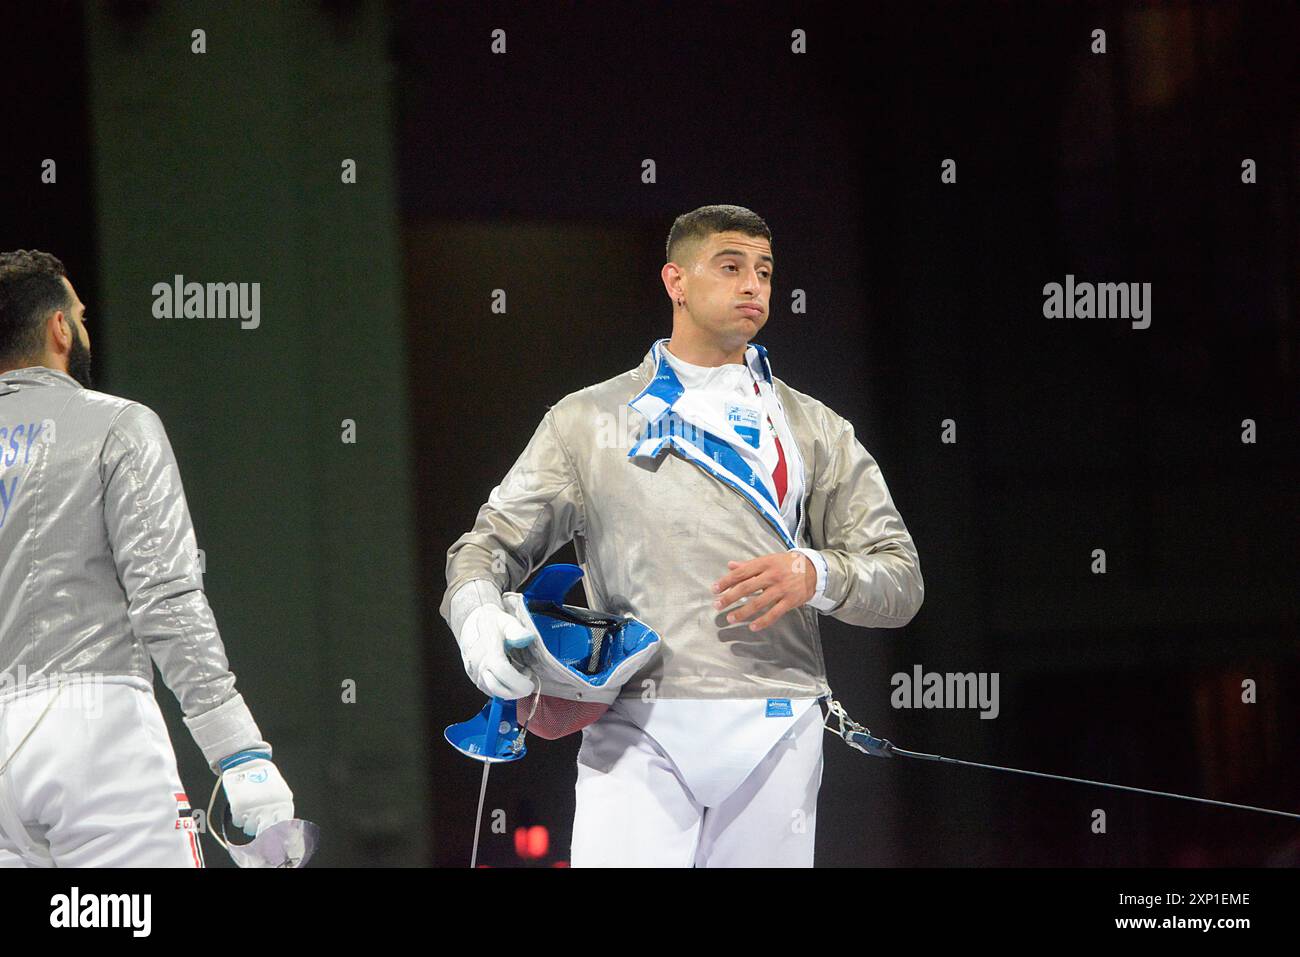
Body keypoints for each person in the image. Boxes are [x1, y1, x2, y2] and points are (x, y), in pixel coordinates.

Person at [441, 205, 924, 866]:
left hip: (778, 724)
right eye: (730, 267)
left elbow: (901, 578)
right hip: (638, 724)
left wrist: (817, 573)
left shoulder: (816, 428)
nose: (753, 284)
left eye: (764, 270)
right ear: (676, 281)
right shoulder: (589, 420)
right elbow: (486, 547)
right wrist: (477, 619)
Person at [0, 249, 294, 867]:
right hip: (95, 735)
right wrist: (238, 751)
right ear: (59, 328)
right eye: (78, 315)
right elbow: (164, 596)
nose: (83, 327)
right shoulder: (116, 426)